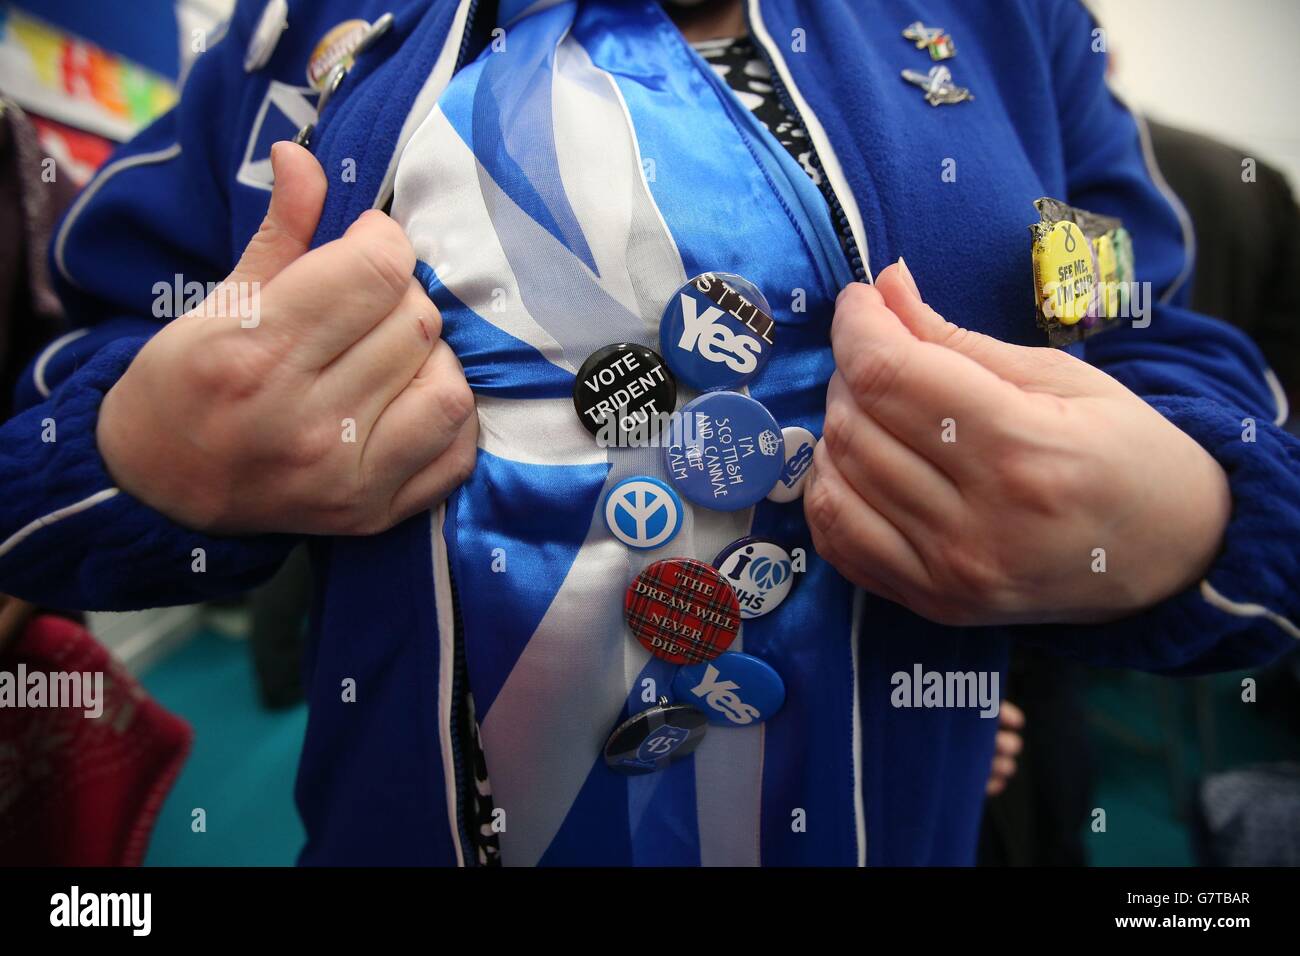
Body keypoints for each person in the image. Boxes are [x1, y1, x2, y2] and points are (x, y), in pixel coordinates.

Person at [1, 0, 1296, 867]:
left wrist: (1185, 515)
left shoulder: (1008, 27)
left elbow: (1157, 346)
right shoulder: (295, 34)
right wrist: (139, 457)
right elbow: (71, 392)